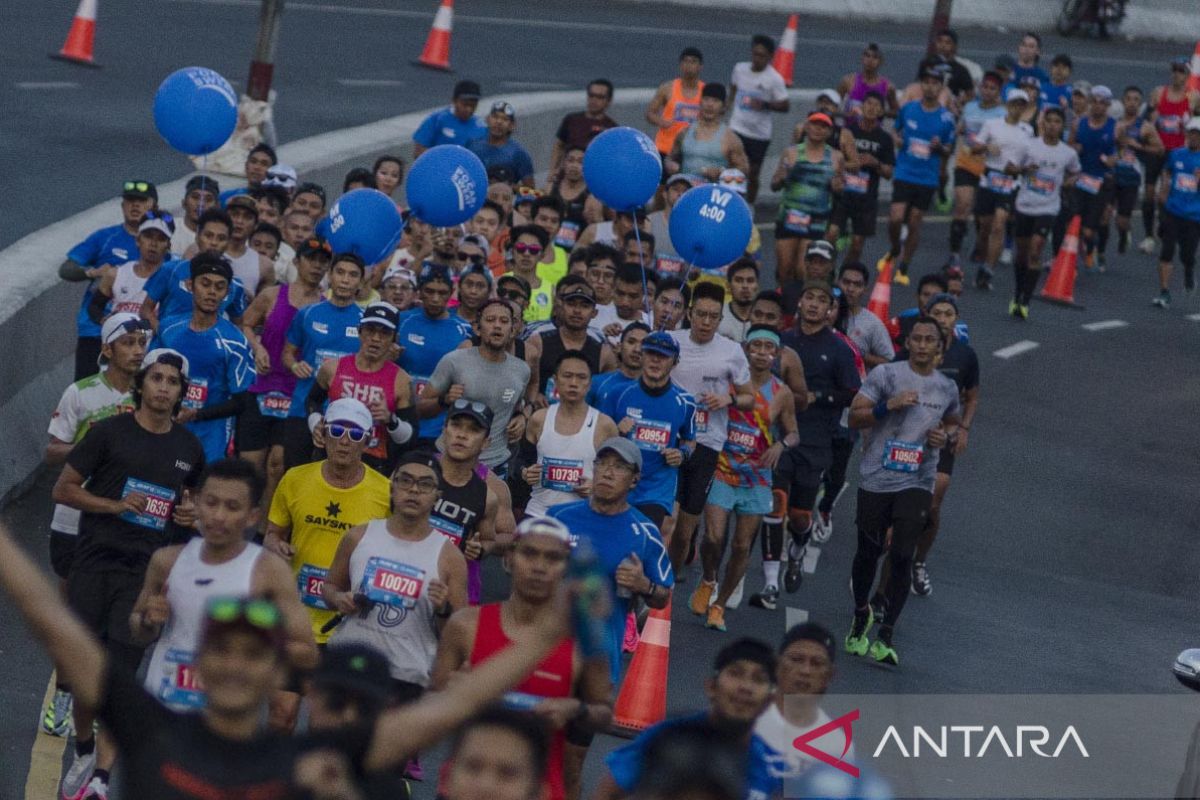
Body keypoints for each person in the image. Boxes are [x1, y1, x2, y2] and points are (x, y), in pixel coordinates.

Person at [0, 516, 576, 799]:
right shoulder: (149, 729)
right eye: (222, 650)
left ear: (279, 673)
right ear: (200, 657)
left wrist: (551, 630)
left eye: (254, 655)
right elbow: (53, 623)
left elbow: (451, 706)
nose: (234, 665)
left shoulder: (312, 759)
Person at [49, 348, 204, 800]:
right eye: (156, 378)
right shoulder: (107, 433)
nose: (163, 388)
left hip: (144, 574)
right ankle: (83, 748)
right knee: (85, 674)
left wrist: (190, 515)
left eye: (172, 382)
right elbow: (64, 490)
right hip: (94, 563)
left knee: (117, 675)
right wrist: (114, 505)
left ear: (180, 392)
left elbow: (187, 510)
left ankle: (99, 777)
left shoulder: (189, 449)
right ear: (141, 385)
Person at [432, 516, 613, 800]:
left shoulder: (585, 641)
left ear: (566, 568)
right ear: (508, 560)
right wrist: (452, 694)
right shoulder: (466, 625)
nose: (539, 567)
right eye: (529, 553)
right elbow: (431, 704)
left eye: (553, 558)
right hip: (464, 787)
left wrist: (576, 711)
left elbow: (604, 713)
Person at [131, 459, 318, 715]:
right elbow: (138, 628)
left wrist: (252, 645)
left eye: (232, 507)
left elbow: (307, 652)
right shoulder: (167, 560)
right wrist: (148, 621)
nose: (219, 516)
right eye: (211, 503)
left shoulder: (269, 572)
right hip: (163, 705)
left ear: (252, 515)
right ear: (196, 502)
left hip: (225, 718)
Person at [39, 313, 149, 738]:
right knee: (77, 616)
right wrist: (91, 443)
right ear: (108, 349)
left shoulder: (151, 397)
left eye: (142, 342)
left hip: (128, 521)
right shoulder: (81, 394)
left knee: (118, 618)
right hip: (74, 519)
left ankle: (102, 697)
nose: (137, 350)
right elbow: (51, 450)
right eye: (129, 342)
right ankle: (65, 691)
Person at [844, 316, 960, 666]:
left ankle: (886, 634)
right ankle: (862, 611)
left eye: (930, 340)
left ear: (939, 347)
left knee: (902, 555)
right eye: (917, 339)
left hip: (918, 479)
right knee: (869, 550)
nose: (923, 345)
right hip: (878, 475)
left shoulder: (946, 388)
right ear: (907, 342)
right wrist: (887, 406)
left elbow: (952, 424)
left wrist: (946, 437)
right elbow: (853, 417)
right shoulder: (886, 376)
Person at [323, 449, 468, 705]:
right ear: (392, 487)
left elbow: (457, 636)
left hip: (406, 674)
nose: (413, 490)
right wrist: (339, 598)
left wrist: (443, 608)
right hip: (349, 661)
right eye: (405, 481)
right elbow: (330, 587)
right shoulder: (359, 536)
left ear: (437, 497)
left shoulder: (450, 558)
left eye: (425, 485)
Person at [695, 325, 798, 631]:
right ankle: (708, 578)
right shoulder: (728, 382)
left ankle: (719, 605)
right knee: (713, 538)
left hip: (757, 478)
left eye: (769, 348)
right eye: (756, 347)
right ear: (745, 350)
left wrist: (781, 444)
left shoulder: (782, 393)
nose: (762, 353)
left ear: (777, 354)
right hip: (723, 469)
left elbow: (793, 433)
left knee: (741, 547)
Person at [265, 398, 392, 645]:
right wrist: (277, 546)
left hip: (352, 626)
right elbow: (272, 533)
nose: (344, 441)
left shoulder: (385, 491)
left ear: (368, 441)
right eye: (336, 431)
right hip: (295, 620)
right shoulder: (295, 479)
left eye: (355, 434)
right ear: (323, 434)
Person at [764, 281, 859, 605]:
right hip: (779, 435)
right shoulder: (782, 341)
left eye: (823, 301)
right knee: (775, 502)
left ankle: (798, 548)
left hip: (816, 439)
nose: (816, 305)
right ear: (800, 303)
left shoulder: (839, 349)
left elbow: (852, 393)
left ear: (831, 310)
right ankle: (770, 582)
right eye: (810, 298)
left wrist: (820, 396)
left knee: (800, 515)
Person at [546, 438, 672, 683]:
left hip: (599, 657)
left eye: (619, 466)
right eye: (602, 463)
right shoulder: (557, 517)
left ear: (634, 479)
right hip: (546, 646)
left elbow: (662, 597)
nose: (608, 472)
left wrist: (644, 585)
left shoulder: (645, 533)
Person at [591, 638, 780, 800]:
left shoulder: (773, 765)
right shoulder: (669, 737)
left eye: (758, 679)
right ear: (711, 687)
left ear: (770, 701)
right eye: (736, 673)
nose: (745, 687)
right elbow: (609, 792)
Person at [239, 235, 331, 515]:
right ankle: (240, 520)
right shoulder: (272, 295)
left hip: (296, 392)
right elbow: (244, 323)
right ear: (296, 260)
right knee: (250, 464)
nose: (316, 267)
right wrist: (257, 347)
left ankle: (264, 530)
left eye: (322, 262)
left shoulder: (325, 307)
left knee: (278, 463)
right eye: (310, 259)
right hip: (263, 386)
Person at [666, 284, 755, 573]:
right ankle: (656, 583)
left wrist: (727, 398)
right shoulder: (670, 340)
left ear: (720, 320)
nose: (706, 322)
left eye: (713, 317)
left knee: (684, 531)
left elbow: (749, 397)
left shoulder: (731, 351)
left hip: (707, 443)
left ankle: (669, 583)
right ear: (689, 313)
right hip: (671, 438)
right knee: (668, 519)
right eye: (701, 314)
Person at [151, 253, 255, 465]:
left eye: (219, 287)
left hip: (212, 435)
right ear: (191, 285)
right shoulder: (168, 329)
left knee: (201, 492)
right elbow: (148, 375)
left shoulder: (235, 343)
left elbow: (242, 401)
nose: (211, 292)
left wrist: (196, 414)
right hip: (164, 425)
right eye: (205, 284)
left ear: (227, 292)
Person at [596, 331, 696, 535]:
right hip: (618, 481)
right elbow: (598, 439)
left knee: (641, 540)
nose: (656, 360)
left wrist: (681, 454)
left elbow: (690, 441)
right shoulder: (618, 393)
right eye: (651, 353)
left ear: (674, 362)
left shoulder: (686, 402)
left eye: (663, 356)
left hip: (656, 488)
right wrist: (616, 432)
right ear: (642, 355)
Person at [422, 298, 533, 476]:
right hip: (450, 458)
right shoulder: (455, 360)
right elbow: (420, 407)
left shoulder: (522, 370)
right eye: (490, 320)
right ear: (477, 328)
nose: (497, 326)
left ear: (513, 330)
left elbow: (517, 404)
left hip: (495, 464)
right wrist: (444, 400)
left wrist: (522, 416)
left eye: (504, 321)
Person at [60, 179, 155, 380]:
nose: (135, 205)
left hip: (139, 336)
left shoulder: (160, 245)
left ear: (154, 205)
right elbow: (66, 269)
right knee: (86, 393)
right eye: (130, 201)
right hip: (95, 330)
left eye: (141, 201)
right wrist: (91, 273)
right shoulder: (105, 237)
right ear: (122, 206)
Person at [306, 302, 414, 474]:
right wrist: (315, 425)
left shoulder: (402, 381)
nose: (376, 339)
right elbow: (312, 401)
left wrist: (390, 420)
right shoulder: (332, 368)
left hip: (373, 461)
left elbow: (409, 436)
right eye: (370, 330)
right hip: (330, 454)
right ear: (359, 331)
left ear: (394, 339)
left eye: (384, 333)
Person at [881, 66, 956, 286]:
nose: (930, 87)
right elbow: (895, 129)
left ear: (941, 87)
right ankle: (895, 247)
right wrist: (897, 139)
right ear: (921, 85)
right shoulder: (909, 109)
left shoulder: (946, 118)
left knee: (914, 221)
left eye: (935, 83)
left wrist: (939, 147)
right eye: (927, 82)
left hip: (927, 177)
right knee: (895, 217)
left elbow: (949, 149)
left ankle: (904, 264)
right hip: (905, 171)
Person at [522, 350, 619, 517]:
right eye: (567, 375)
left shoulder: (605, 425)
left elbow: (616, 474)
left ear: (589, 384)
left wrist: (595, 487)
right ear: (555, 380)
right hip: (539, 512)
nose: (574, 383)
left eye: (581, 377)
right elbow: (521, 461)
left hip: (583, 516)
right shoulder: (539, 419)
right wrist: (525, 472)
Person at [754, 623, 853, 778]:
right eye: (796, 659)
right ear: (777, 665)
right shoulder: (744, 715)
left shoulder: (836, 746)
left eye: (817, 663)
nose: (805, 671)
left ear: (830, 675)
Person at [396, 262, 475, 447]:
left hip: (440, 429)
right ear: (419, 291)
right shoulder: (401, 321)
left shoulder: (465, 330)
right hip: (400, 420)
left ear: (451, 292)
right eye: (429, 291)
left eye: (442, 292)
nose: (435, 298)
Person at [1013, 107, 1081, 317]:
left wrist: (1068, 183)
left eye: (1057, 122)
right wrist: (1024, 170)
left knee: (1036, 251)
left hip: (1048, 208)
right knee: (1022, 255)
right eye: (1049, 121)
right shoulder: (1029, 146)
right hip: (1024, 205)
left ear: (1062, 126)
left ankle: (1025, 300)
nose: (1052, 125)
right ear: (1043, 124)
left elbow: (1076, 172)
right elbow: (1009, 167)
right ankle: (1017, 292)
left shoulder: (1067, 153)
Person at [140, 209, 250, 330]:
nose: (213, 243)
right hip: (166, 347)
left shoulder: (234, 285)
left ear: (228, 242)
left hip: (206, 347)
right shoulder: (170, 270)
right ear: (197, 236)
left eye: (221, 238)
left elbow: (239, 325)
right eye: (208, 235)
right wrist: (163, 333)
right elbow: (146, 310)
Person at [771, 112, 846, 290]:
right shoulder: (792, 153)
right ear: (806, 126)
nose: (818, 129)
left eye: (823, 126)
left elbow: (841, 192)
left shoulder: (836, 158)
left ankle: (802, 306)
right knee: (784, 270)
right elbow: (774, 184)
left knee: (803, 270)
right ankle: (785, 307)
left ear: (829, 132)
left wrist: (838, 188)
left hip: (816, 220)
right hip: (789, 216)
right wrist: (781, 178)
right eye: (814, 124)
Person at [971, 88, 1034, 291]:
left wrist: (1019, 169)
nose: (1017, 108)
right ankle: (982, 256)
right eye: (1014, 104)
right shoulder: (992, 124)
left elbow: (1031, 163)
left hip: (1010, 181)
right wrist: (987, 148)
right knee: (985, 227)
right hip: (989, 178)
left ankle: (988, 269)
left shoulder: (1028, 131)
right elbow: (974, 148)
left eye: (1022, 105)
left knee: (999, 225)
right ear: (1008, 105)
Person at [1143, 59, 1200, 253]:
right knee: (1149, 193)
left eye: (1181, 71)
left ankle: (1165, 228)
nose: (1177, 74)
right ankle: (1148, 236)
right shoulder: (1159, 93)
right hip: (1158, 149)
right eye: (1174, 70)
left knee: (1167, 196)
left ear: (1187, 74)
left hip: (1178, 153)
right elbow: (1148, 119)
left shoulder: (1192, 98)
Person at [833, 90, 895, 265]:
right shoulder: (847, 132)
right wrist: (850, 162)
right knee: (831, 235)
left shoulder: (885, 139)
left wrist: (875, 163)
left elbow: (889, 173)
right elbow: (833, 158)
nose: (871, 108)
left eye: (876, 106)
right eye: (868, 104)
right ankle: (828, 272)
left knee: (858, 245)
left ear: (881, 112)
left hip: (866, 199)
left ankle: (844, 275)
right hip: (842, 195)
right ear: (861, 107)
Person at [951, 72, 1006, 261]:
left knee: (983, 218)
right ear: (979, 88)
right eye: (985, 87)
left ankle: (981, 243)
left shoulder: (1003, 114)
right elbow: (961, 129)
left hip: (988, 168)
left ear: (998, 92)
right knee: (962, 205)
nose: (987, 92)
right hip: (966, 162)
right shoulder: (970, 107)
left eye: (993, 89)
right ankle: (954, 253)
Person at [728, 34, 789, 203]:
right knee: (733, 169)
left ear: (770, 57)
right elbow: (733, 88)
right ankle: (732, 202)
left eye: (762, 56)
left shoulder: (774, 79)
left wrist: (765, 104)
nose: (757, 59)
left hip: (758, 135)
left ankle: (750, 206)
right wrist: (728, 106)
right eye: (755, 54)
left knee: (752, 173)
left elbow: (785, 105)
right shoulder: (740, 69)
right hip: (737, 127)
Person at [531, 283, 614, 405]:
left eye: (584, 306)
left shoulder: (604, 353)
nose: (577, 311)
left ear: (594, 313)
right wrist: (534, 396)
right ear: (561, 307)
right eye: (571, 304)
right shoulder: (538, 342)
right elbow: (525, 383)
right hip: (542, 416)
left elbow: (606, 395)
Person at [88, 214, 174, 323]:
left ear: (168, 245)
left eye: (161, 239)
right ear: (138, 241)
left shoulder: (173, 279)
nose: (153, 244)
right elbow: (95, 306)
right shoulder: (115, 274)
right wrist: (104, 321)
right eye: (148, 236)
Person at [1153, 117, 1200, 308]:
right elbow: (1167, 172)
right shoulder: (1176, 154)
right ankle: (1164, 292)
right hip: (1172, 211)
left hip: (1194, 216)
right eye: (1191, 132)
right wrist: (1163, 192)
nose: (1193, 137)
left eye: (1197, 134)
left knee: (1187, 255)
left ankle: (1189, 271)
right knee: (1167, 251)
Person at [1070, 85, 1119, 270]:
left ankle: (1094, 246)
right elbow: (1070, 146)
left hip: (1101, 181)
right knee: (1074, 220)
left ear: (1107, 105)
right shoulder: (1078, 123)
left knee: (1090, 230)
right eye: (1094, 102)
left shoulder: (1115, 126)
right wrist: (1075, 148)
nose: (1098, 106)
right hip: (1081, 177)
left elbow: (1122, 150)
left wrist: (1113, 160)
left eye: (1102, 103)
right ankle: (1072, 260)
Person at [1114, 87, 1164, 255]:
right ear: (1123, 101)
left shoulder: (1145, 127)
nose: (1132, 103)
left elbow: (1160, 149)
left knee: (1122, 220)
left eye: (1136, 100)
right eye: (1129, 99)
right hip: (1113, 175)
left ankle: (1125, 232)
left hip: (1132, 177)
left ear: (1140, 104)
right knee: (1105, 215)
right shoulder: (1114, 123)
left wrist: (1140, 146)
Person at [668, 84, 749, 182]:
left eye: (715, 101)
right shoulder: (685, 133)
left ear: (723, 107)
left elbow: (744, 169)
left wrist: (722, 172)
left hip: (713, 193)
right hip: (687, 192)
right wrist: (670, 165)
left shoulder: (731, 139)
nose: (710, 105)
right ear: (700, 102)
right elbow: (671, 158)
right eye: (706, 99)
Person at [550, 79, 618, 181]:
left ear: (608, 101)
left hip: (593, 182)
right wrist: (552, 170)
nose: (594, 100)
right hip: (566, 178)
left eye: (600, 97)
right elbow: (559, 145)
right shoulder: (571, 119)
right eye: (591, 95)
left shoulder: (612, 129)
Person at [647, 47, 706, 158]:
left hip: (693, 151)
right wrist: (661, 122)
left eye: (693, 61)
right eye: (685, 61)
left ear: (700, 66)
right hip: (666, 148)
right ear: (680, 65)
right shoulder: (667, 88)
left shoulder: (706, 92)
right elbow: (650, 113)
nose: (689, 65)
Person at [837, 262, 893, 370]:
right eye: (846, 282)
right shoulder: (824, 313)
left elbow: (890, 362)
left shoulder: (873, 324)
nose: (850, 289)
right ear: (837, 283)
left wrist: (858, 354)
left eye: (857, 285)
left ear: (865, 289)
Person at [468, 101, 536, 187]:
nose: (499, 122)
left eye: (505, 119)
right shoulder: (474, 147)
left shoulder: (519, 154)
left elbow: (530, 189)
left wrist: (508, 187)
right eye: (495, 117)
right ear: (487, 119)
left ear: (512, 125)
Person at [548, 148, 602, 250]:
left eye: (580, 162)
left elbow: (597, 229)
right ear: (564, 163)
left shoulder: (593, 196)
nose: (574, 166)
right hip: (550, 247)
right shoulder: (551, 188)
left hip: (579, 250)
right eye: (571, 160)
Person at [413, 80, 486, 157]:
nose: (469, 109)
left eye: (473, 106)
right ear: (454, 101)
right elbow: (419, 151)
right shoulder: (436, 119)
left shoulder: (481, 127)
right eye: (465, 104)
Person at [589, 322, 647, 408]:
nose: (637, 349)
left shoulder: (655, 390)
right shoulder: (597, 383)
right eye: (631, 342)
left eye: (644, 344)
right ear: (619, 347)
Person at [837, 42, 899, 120]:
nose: (870, 60)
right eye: (867, 56)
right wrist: (847, 114)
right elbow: (833, 107)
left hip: (874, 130)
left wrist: (882, 112)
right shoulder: (848, 81)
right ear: (862, 58)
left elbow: (896, 113)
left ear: (880, 62)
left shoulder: (888, 87)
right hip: (850, 130)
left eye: (875, 57)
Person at [507, 225, 556, 323]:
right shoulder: (497, 283)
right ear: (512, 251)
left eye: (533, 249)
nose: (526, 254)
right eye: (521, 248)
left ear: (542, 255)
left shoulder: (552, 291)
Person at [172, 175, 220, 254]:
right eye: (195, 197)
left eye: (208, 200)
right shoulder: (169, 227)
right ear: (184, 203)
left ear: (217, 206)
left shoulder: (221, 236)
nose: (201, 204)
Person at [718, 259, 760, 343]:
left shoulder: (763, 317)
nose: (745, 286)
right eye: (739, 280)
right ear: (728, 286)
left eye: (750, 281)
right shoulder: (718, 314)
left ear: (757, 286)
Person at [930, 30, 974, 106]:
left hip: (948, 107)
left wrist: (958, 102)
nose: (942, 45)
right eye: (940, 41)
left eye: (947, 43)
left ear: (955, 47)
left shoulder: (960, 70)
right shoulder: (927, 65)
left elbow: (970, 94)